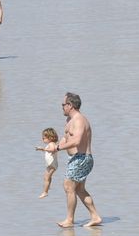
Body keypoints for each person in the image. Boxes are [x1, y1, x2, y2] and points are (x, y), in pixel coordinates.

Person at [56, 92, 101, 228]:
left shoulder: (79, 120)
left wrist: (58, 148)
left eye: (63, 105)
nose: (62, 107)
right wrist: (53, 148)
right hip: (75, 158)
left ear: (70, 105)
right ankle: (95, 217)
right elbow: (65, 138)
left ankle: (69, 220)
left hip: (82, 158)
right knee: (80, 189)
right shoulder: (69, 121)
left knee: (68, 186)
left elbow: (76, 141)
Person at [35, 128, 60, 198]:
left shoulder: (51, 144)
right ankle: (47, 187)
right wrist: (42, 149)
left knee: (47, 178)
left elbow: (52, 149)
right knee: (46, 177)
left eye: (44, 138)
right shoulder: (50, 144)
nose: (42, 139)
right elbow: (49, 151)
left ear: (50, 137)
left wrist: (43, 149)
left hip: (52, 164)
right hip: (50, 164)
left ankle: (45, 192)